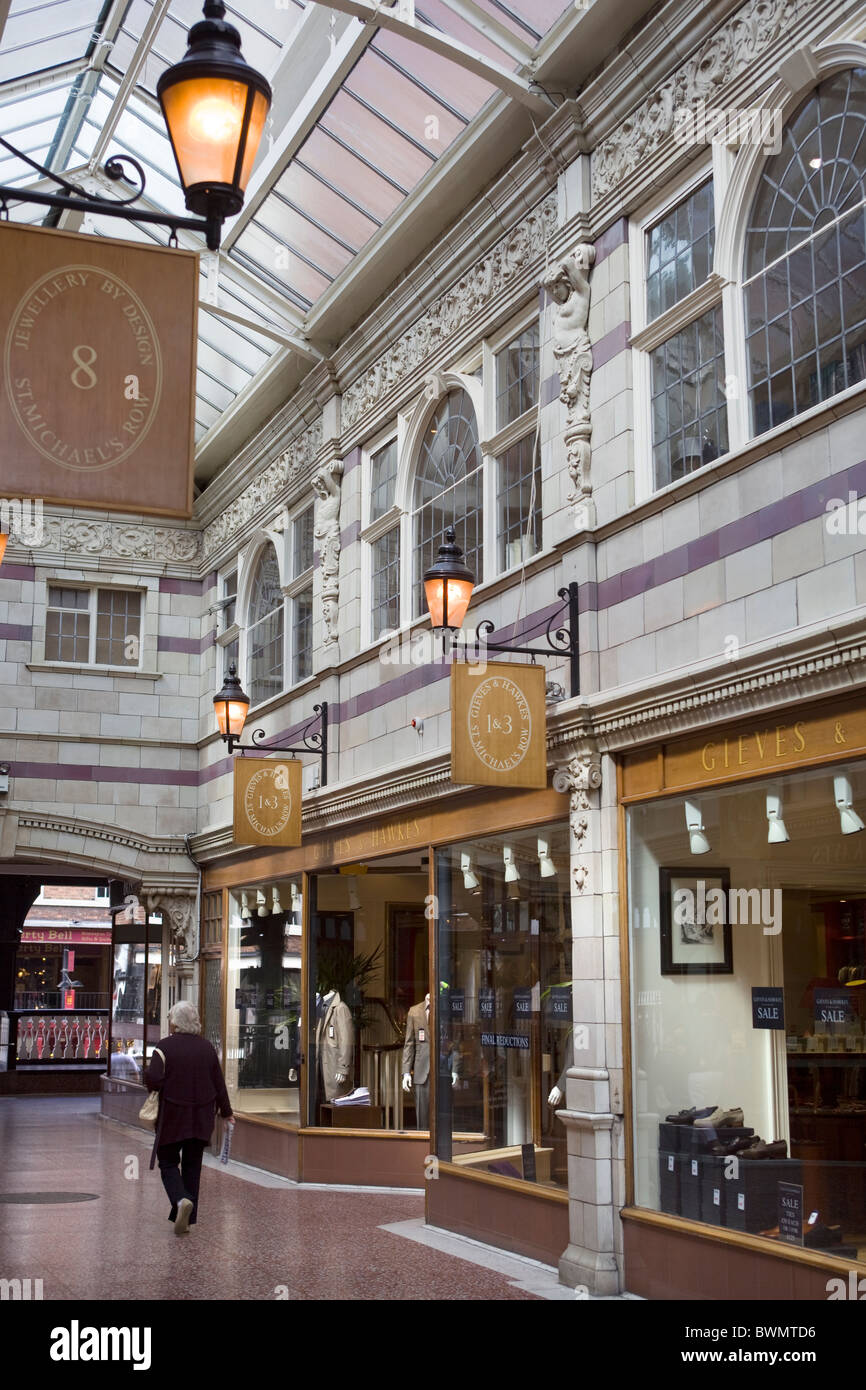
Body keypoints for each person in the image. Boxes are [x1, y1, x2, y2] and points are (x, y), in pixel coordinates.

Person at [146, 1000, 234, 1236]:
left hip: (173, 1116)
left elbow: (153, 1079)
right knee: (193, 1165)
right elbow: (218, 1084)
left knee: (167, 1162)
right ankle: (187, 1217)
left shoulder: (164, 1047)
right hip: (202, 1117)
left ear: (175, 1022)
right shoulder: (207, 1048)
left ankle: (180, 1199)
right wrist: (227, 1113)